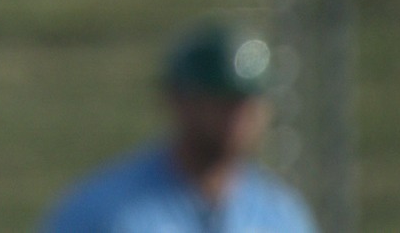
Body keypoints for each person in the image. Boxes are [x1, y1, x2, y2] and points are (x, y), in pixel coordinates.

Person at [38, 21, 319, 233]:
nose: (237, 117)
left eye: (247, 102)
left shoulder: (280, 215)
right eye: (221, 100)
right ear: (179, 101)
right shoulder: (105, 212)